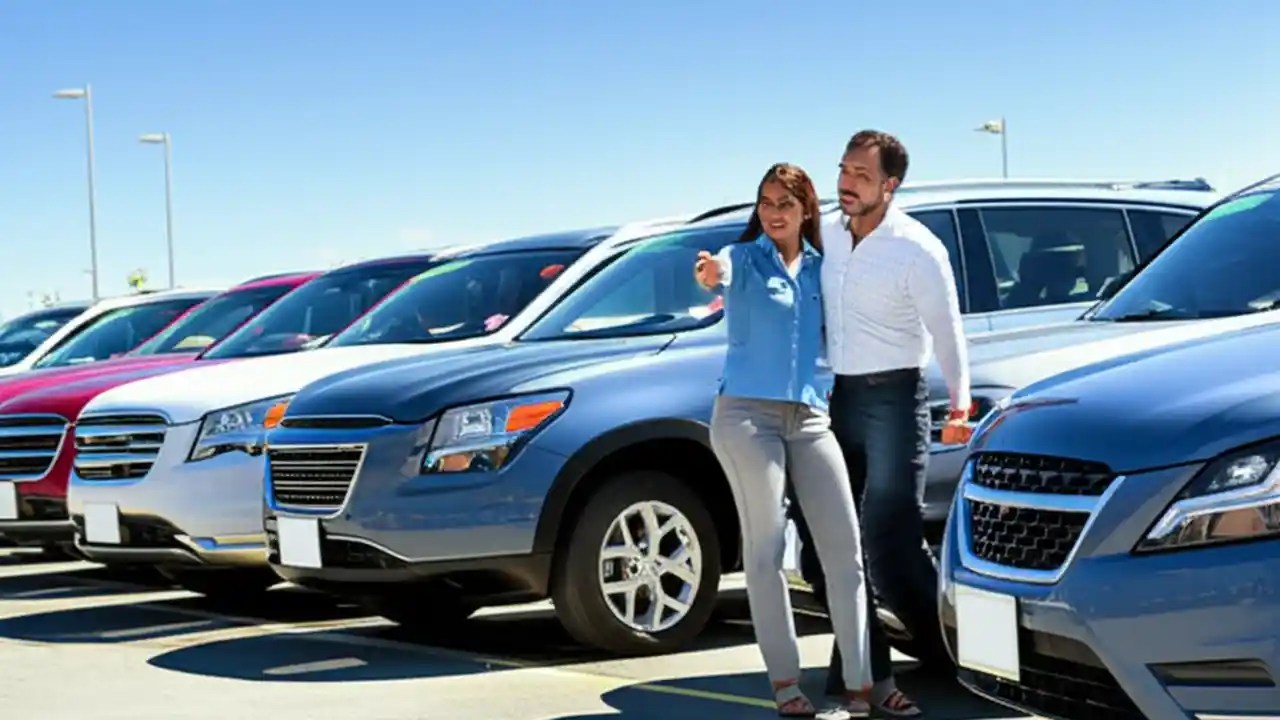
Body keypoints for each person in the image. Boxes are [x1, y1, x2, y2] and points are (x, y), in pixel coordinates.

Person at [791, 130, 973, 718]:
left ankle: (942, 657)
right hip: (838, 397)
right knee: (823, 550)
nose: (846, 182)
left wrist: (962, 406)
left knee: (890, 548)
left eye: (861, 175)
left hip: (896, 399)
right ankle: (885, 664)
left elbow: (948, 331)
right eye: (843, 169)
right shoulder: (827, 234)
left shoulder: (917, 248)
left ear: (889, 185)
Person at [695, 162, 874, 718]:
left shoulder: (824, 267)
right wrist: (708, 271)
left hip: (809, 417)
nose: (772, 213)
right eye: (765, 203)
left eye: (784, 204)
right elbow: (716, 271)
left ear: (805, 211)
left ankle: (861, 688)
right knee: (767, 549)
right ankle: (786, 683)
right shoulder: (743, 259)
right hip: (747, 418)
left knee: (846, 553)